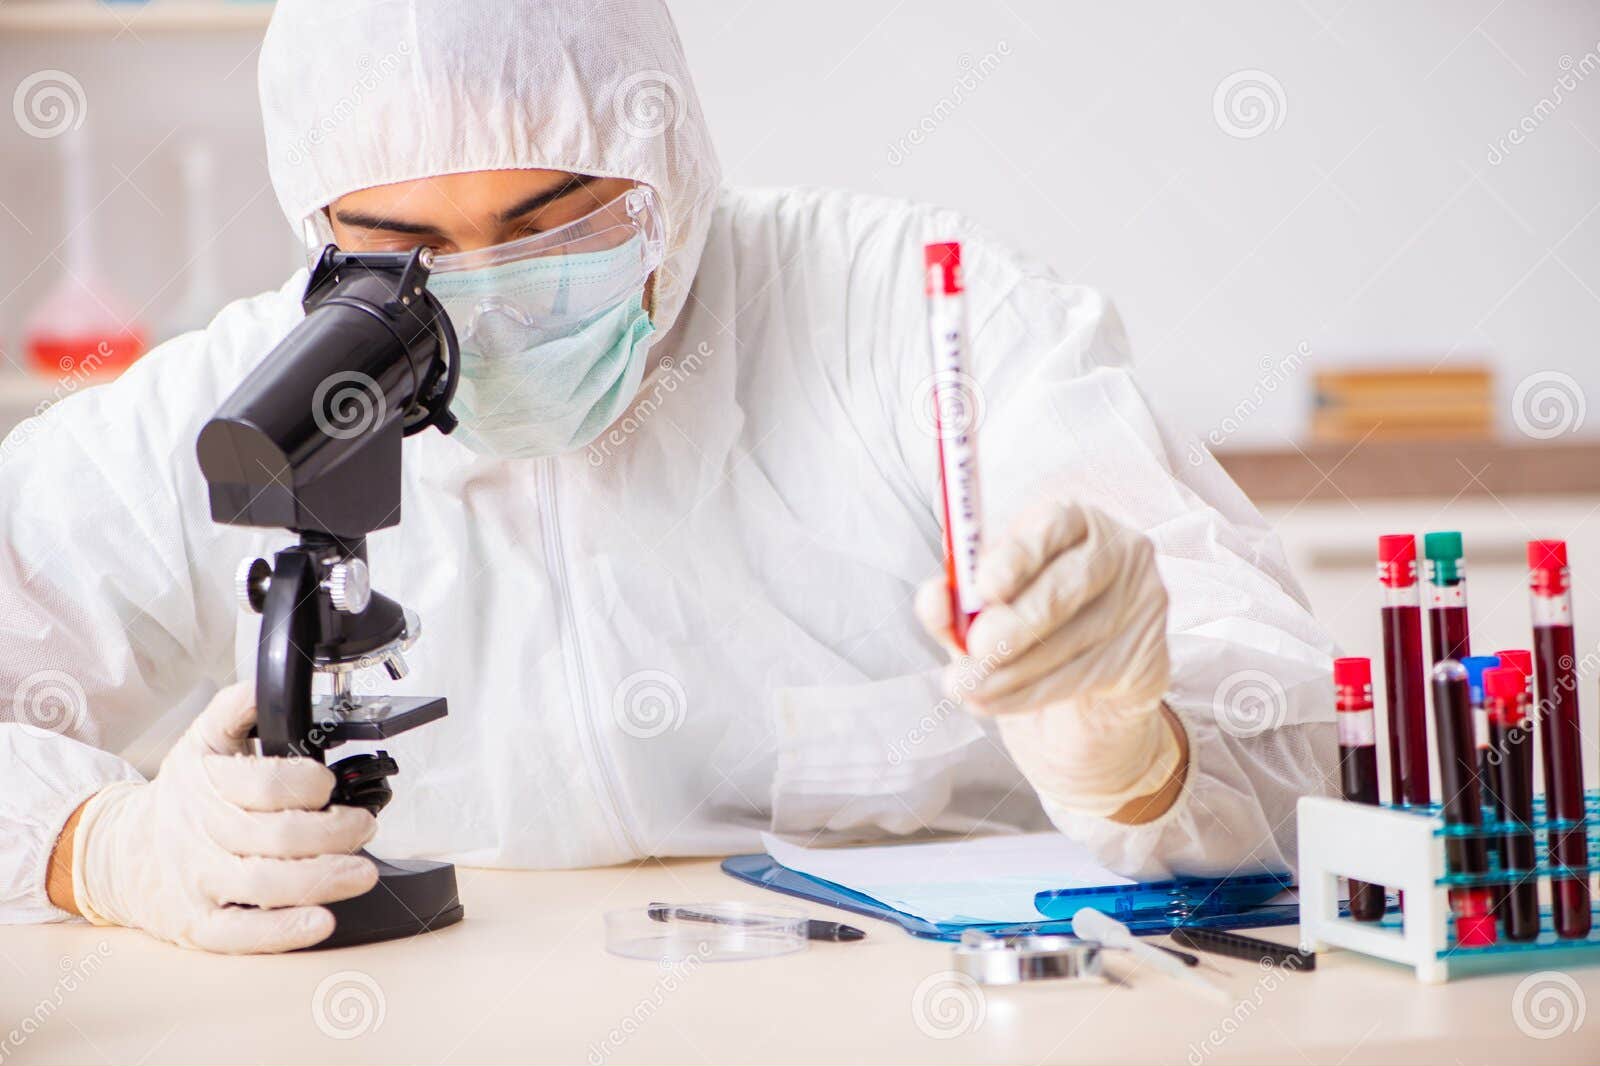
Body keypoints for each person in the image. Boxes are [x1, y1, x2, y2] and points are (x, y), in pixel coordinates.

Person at [0, 0, 1335, 953]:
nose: (492, 300)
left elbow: (1305, 765)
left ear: (673, 160)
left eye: (556, 223)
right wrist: (102, 847)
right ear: (319, 229)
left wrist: (1140, 751)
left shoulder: (905, 317)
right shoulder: (248, 400)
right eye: (401, 245)